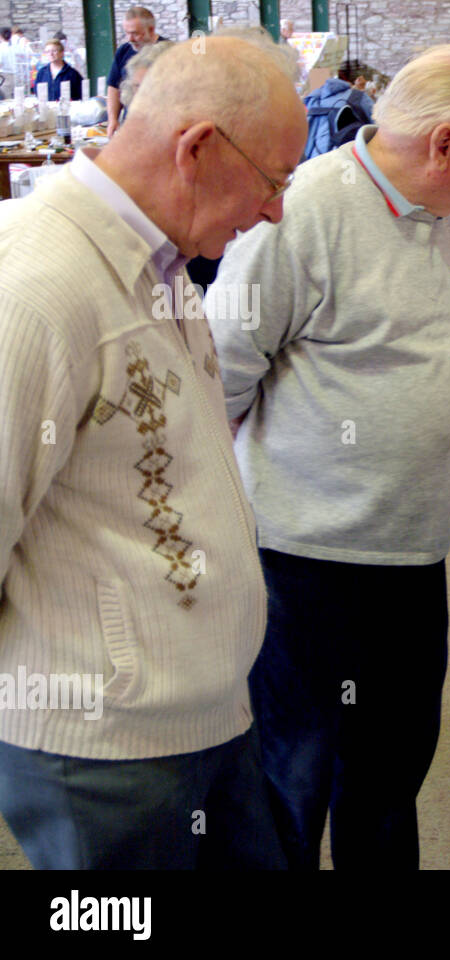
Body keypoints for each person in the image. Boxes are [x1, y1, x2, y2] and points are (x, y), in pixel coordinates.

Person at [206, 44, 450, 870]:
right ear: (444, 143)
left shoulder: (434, 211)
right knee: (294, 779)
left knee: (389, 772)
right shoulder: (308, 212)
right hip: (308, 567)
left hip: (409, 558)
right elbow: (218, 371)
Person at [0, 34, 307, 870]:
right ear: (198, 147)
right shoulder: (36, 286)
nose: (278, 210)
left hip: (203, 719)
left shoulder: (162, 261)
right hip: (103, 754)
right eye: (275, 179)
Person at [106, 6, 166, 137]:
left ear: (151, 29)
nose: (130, 39)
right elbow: (114, 87)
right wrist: (113, 120)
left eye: (135, 33)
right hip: (130, 124)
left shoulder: (167, 52)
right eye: (126, 33)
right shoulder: (123, 51)